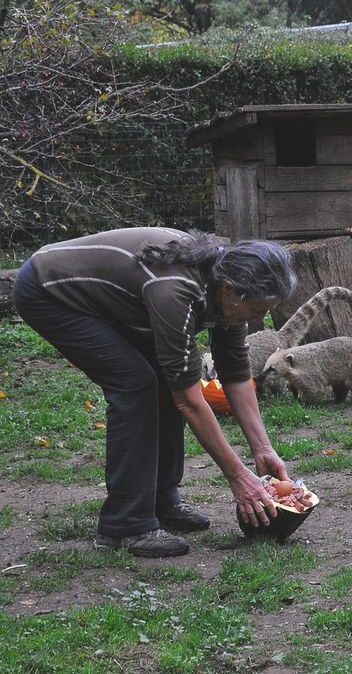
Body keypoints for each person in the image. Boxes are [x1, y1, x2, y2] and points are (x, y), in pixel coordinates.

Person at [12, 228, 298, 557]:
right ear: (230, 289)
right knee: (136, 385)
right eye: (257, 310)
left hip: (114, 296)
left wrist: (262, 449)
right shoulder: (174, 290)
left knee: (164, 379)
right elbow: (189, 401)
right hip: (49, 290)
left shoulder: (228, 282)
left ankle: (162, 501)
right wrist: (238, 476)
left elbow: (234, 372)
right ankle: (126, 524)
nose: (259, 319)